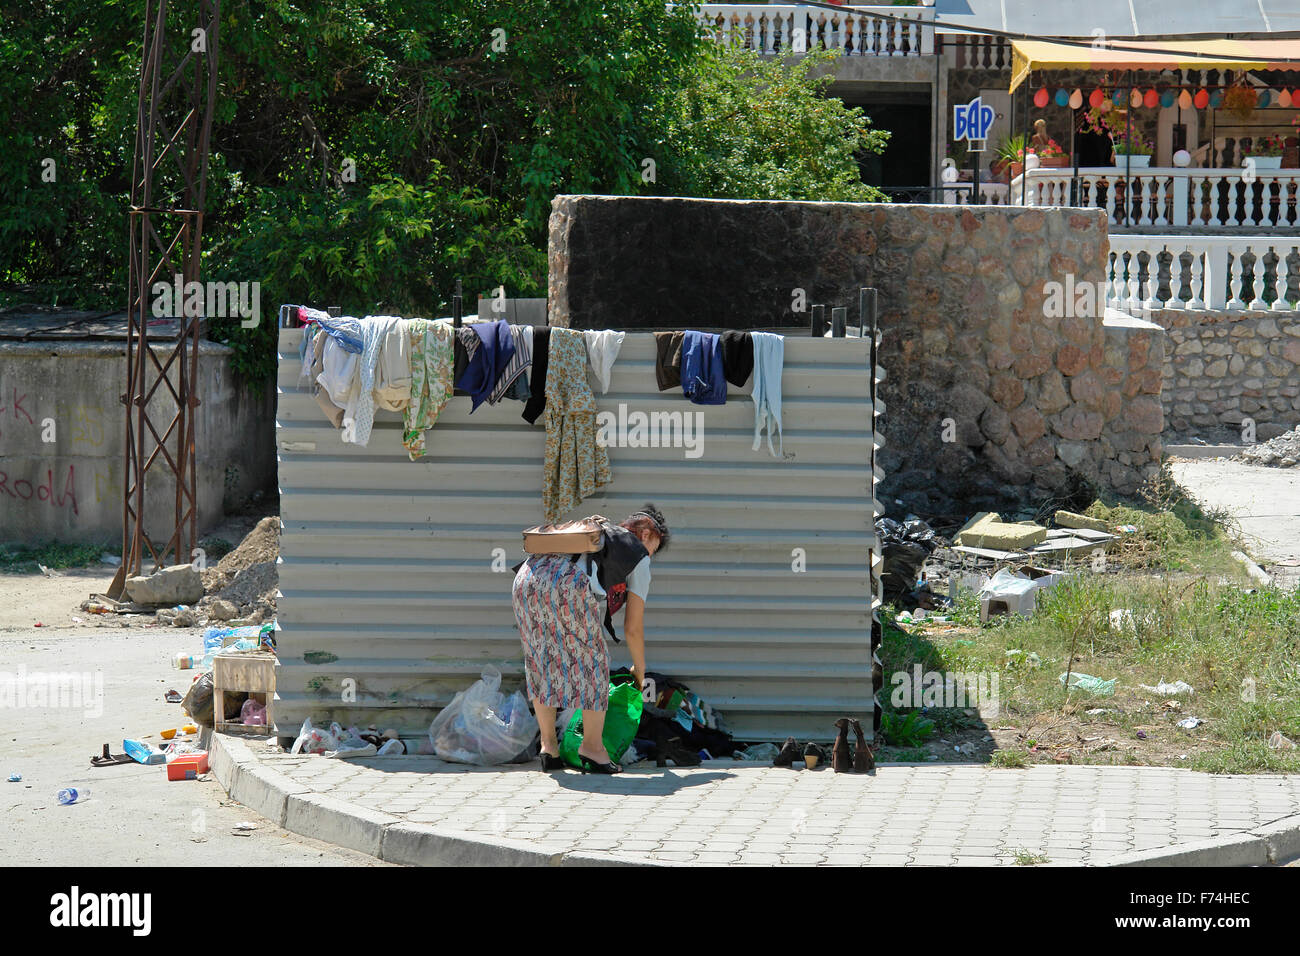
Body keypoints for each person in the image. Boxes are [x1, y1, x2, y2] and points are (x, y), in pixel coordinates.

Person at [511, 504, 670, 774]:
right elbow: (632, 627)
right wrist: (640, 672)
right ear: (646, 534)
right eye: (655, 547)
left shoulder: (593, 534)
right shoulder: (638, 554)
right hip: (568, 586)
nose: (651, 554)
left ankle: (549, 748)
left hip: (527, 579)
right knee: (592, 664)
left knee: (541, 660)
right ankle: (593, 749)